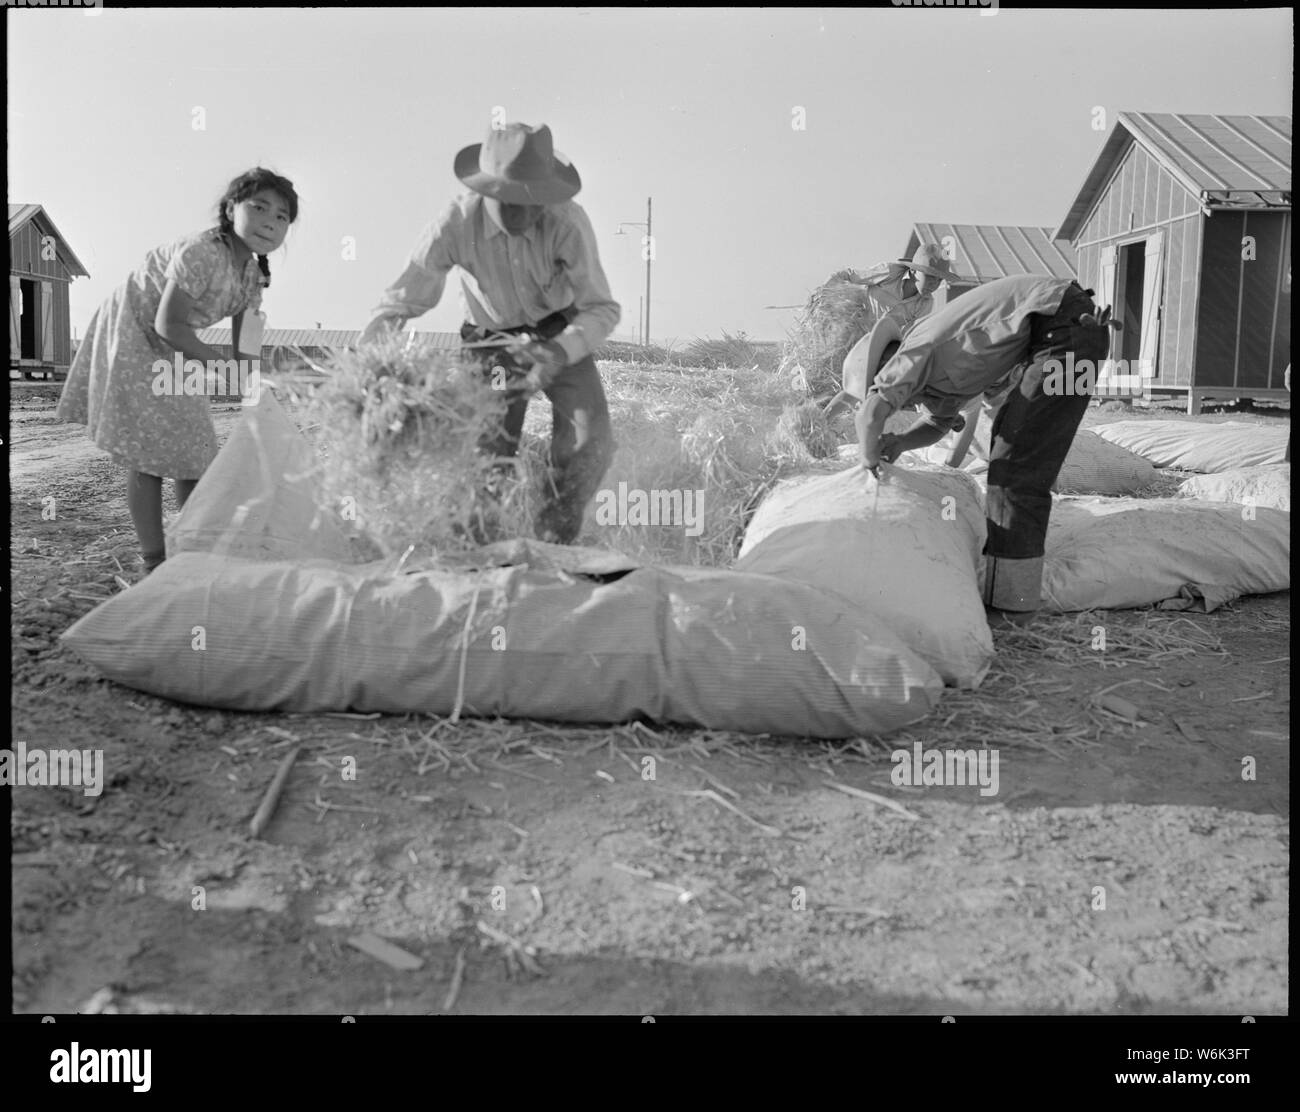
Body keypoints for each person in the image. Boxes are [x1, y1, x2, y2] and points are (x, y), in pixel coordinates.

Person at [358, 122, 621, 545]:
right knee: (485, 458)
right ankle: (479, 555)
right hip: (490, 343)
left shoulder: (567, 221)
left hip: (557, 333)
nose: (525, 212)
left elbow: (601, 308)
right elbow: (403, 299)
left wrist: (557, 350)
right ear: (485, 190)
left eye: (536, 200)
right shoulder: (456, 222)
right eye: (511, 201)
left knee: (591, 444)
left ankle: (553, 540)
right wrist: (369, 361)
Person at [56, 168, 298, 575]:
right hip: (135, 328)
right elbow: (169, 323)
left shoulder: (253, 277)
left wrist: (253, 389)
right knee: (149, 452)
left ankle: (191, 548)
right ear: (229, 210)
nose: (269, 221)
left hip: (176, 341)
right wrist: (223, 369)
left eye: (281, 216)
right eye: (258, 207)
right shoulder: (202, 252)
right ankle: (154, 559)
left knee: (197, 448)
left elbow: (246, 346)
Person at [855, 274, 1121, 623]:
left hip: (1063, 329)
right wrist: (902, 442)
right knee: (1015, 447)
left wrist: (867, 461)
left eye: (883, 382)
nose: (904, 404)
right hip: (1079, 333)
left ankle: (1013, 610)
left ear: (885, 366)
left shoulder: (912, 352)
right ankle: (1013, 590)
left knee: (1015, 470)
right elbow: (938, 424)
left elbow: (870, 413)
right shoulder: (937, 373)